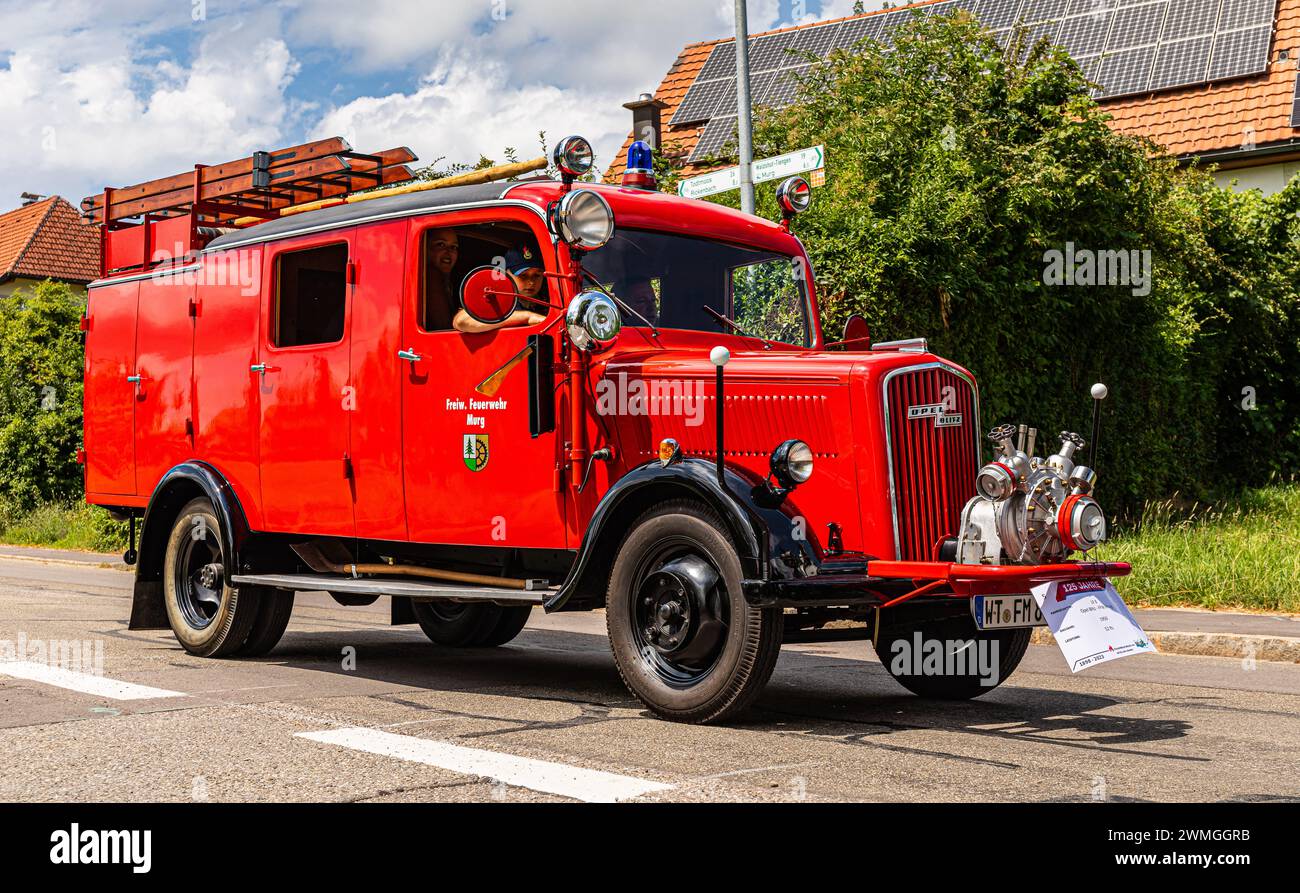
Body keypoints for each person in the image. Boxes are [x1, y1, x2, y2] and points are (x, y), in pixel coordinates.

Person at [454, 245, 548, 334]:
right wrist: (527, 317)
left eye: (537, 275)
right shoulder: (496, 299)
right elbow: (461, 321)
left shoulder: (549, 302)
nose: (531, 282)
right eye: (523, 275)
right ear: (506, 275)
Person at [422, 227, 459, 331]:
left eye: (454, 247)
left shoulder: (445, 279)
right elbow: (444, 326)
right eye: (440, 244)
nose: (449, 251)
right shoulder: (432, 275)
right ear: (425, 248)